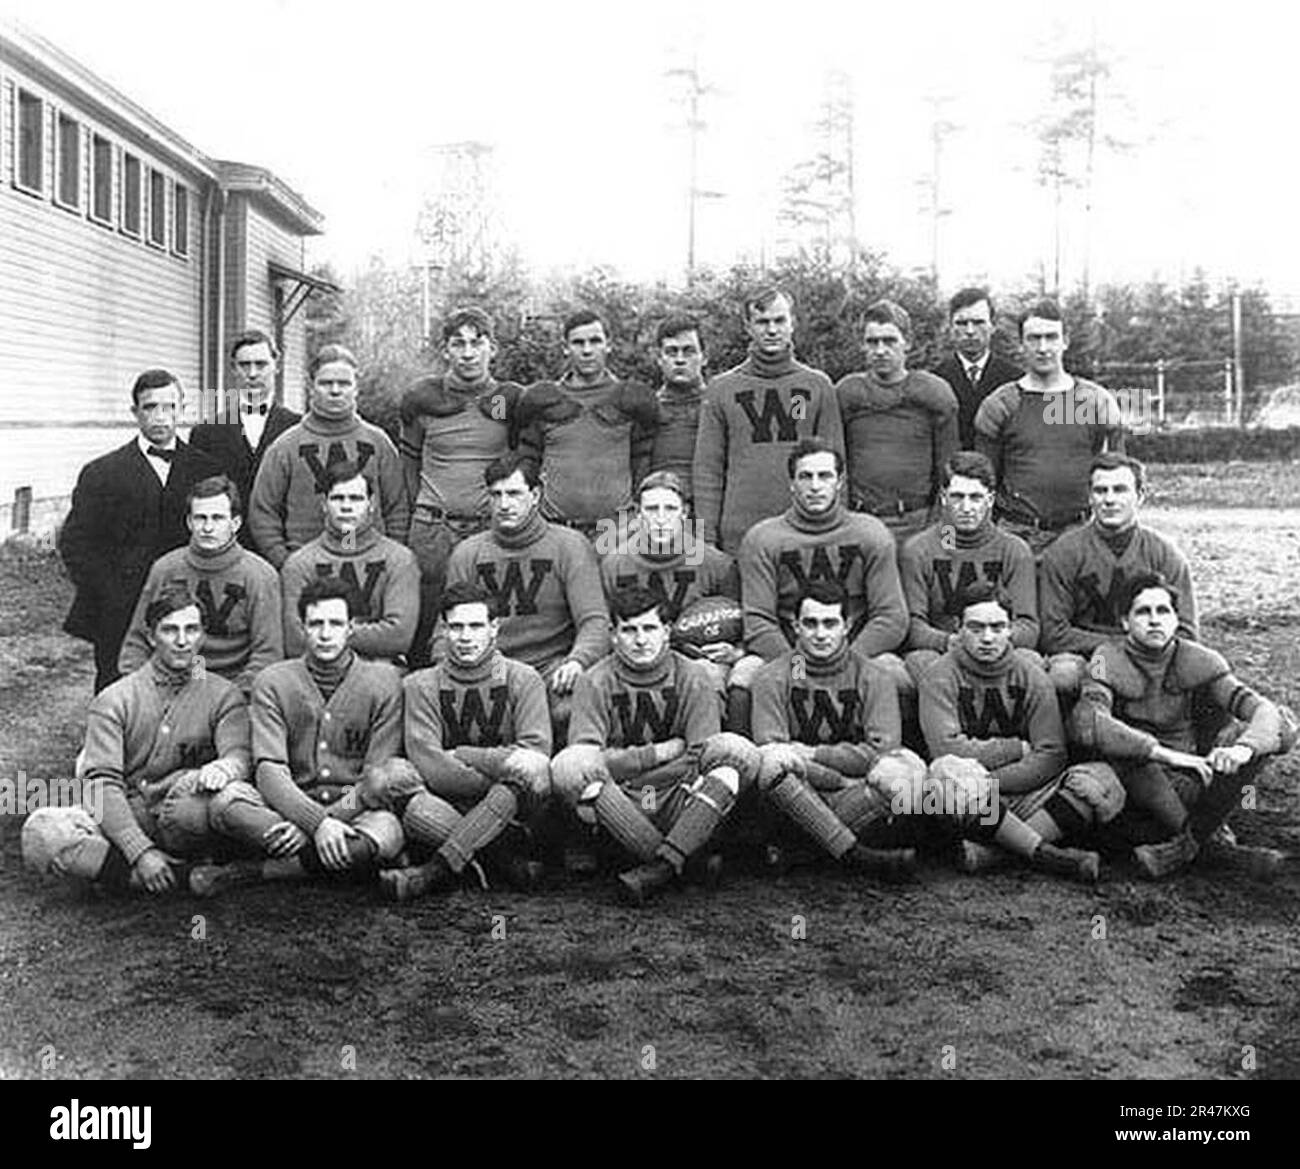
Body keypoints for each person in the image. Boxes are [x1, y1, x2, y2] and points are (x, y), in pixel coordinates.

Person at [21, 585, 286, 894]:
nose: (183, 641)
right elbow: (102, 784)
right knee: (44, 833)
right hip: (133, 813)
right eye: (170, 630)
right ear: (151, 637)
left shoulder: (222, 693)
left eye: (192, 629)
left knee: (220, 802)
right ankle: (184, 877)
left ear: (203, 636)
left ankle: (122, 873)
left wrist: (226, 767)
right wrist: (140, 851)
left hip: (190, 811)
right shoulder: (116, 699)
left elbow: (239, 752)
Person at [1072, 573, 1296, 880]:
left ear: (1177, 619)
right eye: (1143, 612)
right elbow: (1088, 722)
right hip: (1138, 785)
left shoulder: (1198, 659)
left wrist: (1244, 749)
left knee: (1282, 725)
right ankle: (1215, 848)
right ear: (1125, 622)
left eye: (1163, 611)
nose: (1154, 621)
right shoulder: (1106, 658)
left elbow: (1264, 710)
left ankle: (1186, 846)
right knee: (1134, 759)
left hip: (1197, 776)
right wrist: (1163, 753)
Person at [550, 585, 760, 904]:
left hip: (679, 796)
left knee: (735, 750)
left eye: (649, 628)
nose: (640, 639)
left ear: (666, 631)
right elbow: (590, 757)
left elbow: (701, 752)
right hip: (622, 800)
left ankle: (659, 868)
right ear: (613, 634)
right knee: (570, 763)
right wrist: (657, 753)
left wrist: (652, 774)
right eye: (629, 630)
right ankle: (685, 860)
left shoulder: (693, 676)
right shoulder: (595, 680)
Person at [917, 583, 1113, 882]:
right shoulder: (939, 675)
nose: (987, 638)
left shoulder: (1031, 675)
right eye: (976, 627)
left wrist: (992, 783)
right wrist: (1016, 749)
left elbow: (1051, 754)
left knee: (1101, 779)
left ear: (1010, 629)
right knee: (946, 771)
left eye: (997, 627)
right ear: (958, 628)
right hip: (969, 804)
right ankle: (1046, 855)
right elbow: (947, 749)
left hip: (1022, 795)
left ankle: (998, 853)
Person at [377, 583, 552, 900]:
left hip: (515, 809)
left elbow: (534, 753)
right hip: (450, 803)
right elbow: (430, 765)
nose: (466, 637)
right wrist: (496, 779)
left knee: (527, 770)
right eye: (456, 627)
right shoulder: (421, 684)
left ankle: (434, 872)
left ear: (494, 628)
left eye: (475, 626)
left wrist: (463, 754)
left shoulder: (522, 677)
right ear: (444, 630)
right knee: (403, 788)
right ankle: (498, 858)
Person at [59, 368, 220, 692]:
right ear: (135, 412)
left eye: (170, 407)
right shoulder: (102, 473)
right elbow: (75, 543)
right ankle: (110, 740)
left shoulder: (207, 469)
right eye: (150, 407)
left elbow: (221, 535)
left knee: (196, 679)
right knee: (117, 685)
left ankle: (191, 736)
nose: (161, 417)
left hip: (190, 602)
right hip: (121, 607)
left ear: (183, 410)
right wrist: (110, 591)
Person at [749, 580, 924, 877]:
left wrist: (813, 754)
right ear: (795, 626)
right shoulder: (774, 676)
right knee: (772, 761)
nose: (820, 634)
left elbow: (880, 751)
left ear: (847, 625)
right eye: (811, 623)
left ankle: (805, 849)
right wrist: (839, 778)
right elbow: (773, 749)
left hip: (854, 792)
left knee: (904, 770)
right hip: (798, 791)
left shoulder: (873, 676)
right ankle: (853, 855)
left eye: (830, 623)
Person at [433, 454, 610, 736]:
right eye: (496, 495)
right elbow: (445, 628)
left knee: (571, 709)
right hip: (487, 667)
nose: (504, 504)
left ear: (535, 495)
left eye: (514, 494)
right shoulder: (468, 552)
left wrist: (578, 660)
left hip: (550, 668)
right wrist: (446, 670)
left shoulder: (569, 546)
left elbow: (595, 621)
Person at [736, 438, 908, 727]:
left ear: (840, 482)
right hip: (791, 650)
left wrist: (846, 663)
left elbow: (891, 617)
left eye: (824, 476)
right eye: (805, 476)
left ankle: (897, 760)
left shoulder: (870, 533)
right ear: (791, 483)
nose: (815, 486)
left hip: (853, 646)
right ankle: (744, 764)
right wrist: (798, 666)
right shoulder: (763, 538)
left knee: (895, 674)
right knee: (744, 674)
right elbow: (757, 620)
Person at [248, 577, 407, 882]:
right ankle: (327, 858)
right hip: (288, 806)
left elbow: (373, 782)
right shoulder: (272, 681)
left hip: (356, 808)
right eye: (315, 623)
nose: (324, 634)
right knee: (227, 806)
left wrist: (326, 820)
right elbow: (269, 771)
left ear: (351, 627)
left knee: (387, 833)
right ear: (303, 628)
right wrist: (314, 821)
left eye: (335, 623)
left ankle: (265, 871)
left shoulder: (385, 682)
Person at [399, 307, 523, 665]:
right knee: (427, 617)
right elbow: (408, 464)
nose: (468, 353)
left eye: (477, 343)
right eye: (459, 344)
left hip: (489, 526)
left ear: (493, 349)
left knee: (487, 615)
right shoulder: (425, 400)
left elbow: (518, 458)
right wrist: (417, 514)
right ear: (445, 350)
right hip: (433, 528)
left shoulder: (504, 399)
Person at [693, 287, 844, 552]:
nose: (772, 330)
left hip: (806, 533)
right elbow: (708, 470)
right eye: (762, 322)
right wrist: (706, 538)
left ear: (793, 323)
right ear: (748, 327)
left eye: (779, 321)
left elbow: (837, 465)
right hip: (740, 533)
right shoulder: (721, 389)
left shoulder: (817, 386)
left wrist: (840, 531)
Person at [974, 300, 1124, 556]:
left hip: (1080, 532)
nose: (1043, 348)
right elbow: (983, 481)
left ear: (1065, 341)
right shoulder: (1001, 404)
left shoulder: (1095, 400)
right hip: (1017, 534)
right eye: (1033, 338)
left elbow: (1119, 475)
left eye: (1051, 337)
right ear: (1021, 344)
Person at [1039, 453, 1197, 695]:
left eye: (1120, 490)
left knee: (1202, 672)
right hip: (1088, 657)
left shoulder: (1164, 554)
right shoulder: (1063, 552)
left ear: (1140, 495)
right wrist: (1117, 646)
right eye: (1101, 491)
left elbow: (1186, 631)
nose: (1109, 500)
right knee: (1064, 675)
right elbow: (1053, 633)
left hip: (1150, 657)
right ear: (1090, 497)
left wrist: (1141, 647)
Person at [248, 344, 408, 569]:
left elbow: (397, 508)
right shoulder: (285, 446)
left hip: (371, 568)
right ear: (310, 386)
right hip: (308, 571)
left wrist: (389, 558)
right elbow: (263, 512)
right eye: (326, 383)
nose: (335, 391)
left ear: (356, 388)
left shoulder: (378, 443)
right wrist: (285, 562)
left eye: (344, 383)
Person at [118, 475, 282, 694]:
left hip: (233, 686)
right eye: (200, 518)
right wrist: (141, 688)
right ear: (189, 522)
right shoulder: (166, 568)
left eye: (217, 518)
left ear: (235, 523)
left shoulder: (259, 575)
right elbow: (137, 639)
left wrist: (233, 696)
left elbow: (267, 653)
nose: (207, 528)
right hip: (171, 683)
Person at [516, 310, 659, 538]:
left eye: (595, 341)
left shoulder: (632, 398)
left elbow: (644, 460)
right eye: (578, 343)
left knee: (613, 575)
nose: (587, 350)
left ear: (608, 345)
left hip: (617, 531)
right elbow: (527, 458)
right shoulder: (542, 400)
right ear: (565, 348)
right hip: (556, 529)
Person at [898, 451, 1037, 686]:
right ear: (943, 497)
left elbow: (1028, 626)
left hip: (997, 649)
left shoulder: (1014, 550)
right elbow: (913, 625)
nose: (966, 507)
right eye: (957, 497)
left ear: (990, 499)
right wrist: (953, 641)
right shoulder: (919, 549)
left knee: (1030, 661)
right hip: (941, 651)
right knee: (918, 664)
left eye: (975, 497)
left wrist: (987, 638)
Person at [599, 471, 740, 688]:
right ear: (638, 513)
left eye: (671, 509)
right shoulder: (614, 565)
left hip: (698, 660)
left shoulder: (716, 563)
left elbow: (742, 620)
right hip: (636, 656)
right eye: (652, 509)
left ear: (684, 513)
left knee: (709, 678)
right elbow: (605, 627)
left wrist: (736, 650)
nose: (661, 519)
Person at [836, 299, 959, 542]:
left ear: (908, 343)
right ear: (863, 345)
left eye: (890, 341)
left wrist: (944, 533)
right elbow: (836, 463)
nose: (881, 350)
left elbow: (950, 470)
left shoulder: (933, 392)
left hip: (917, 523)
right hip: (861, 522)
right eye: (873, 342)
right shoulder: (847, 392)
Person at [280, 461, 419, 664]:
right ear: (324, 505)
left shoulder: (399, 559)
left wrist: (329, 634)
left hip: (380, 675)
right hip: (316, 674)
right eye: (338, 498)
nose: (346, 506)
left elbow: (399, 636)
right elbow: (295, 641)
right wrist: (368, 637)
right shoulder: (299, 564)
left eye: (355, 498)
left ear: (371, 504)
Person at [188, 329, 301, 544]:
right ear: (233, 369)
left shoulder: (298, 428)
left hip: (284, 548)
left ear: (276, 366)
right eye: (244, 365)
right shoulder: (206, 432)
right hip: (226, 550)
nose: (252, 373)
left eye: (261, 364)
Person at [932, 288, 1022, 450]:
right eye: (962, 323)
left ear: (992, 326)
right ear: (951, 328)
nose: (970, 331)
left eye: (978, 322)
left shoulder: (1015, 379)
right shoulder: (936, 381)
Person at [648, 314, 708, 507]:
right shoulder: (646, 408)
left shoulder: (718, 405)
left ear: (704, 357)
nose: (680, 360)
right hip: (657, 513)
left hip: (706, 509)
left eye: (688, 351)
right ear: (659, 358)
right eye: (672, 352)